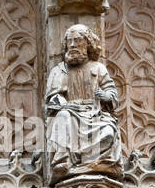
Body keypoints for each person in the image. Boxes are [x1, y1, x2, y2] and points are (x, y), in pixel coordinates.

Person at [44, 24, 122, 179]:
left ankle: (91, 161)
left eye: (78, 41)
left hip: (94, 114)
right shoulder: (59, 70)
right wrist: (63, 103)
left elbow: (112, 92)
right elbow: (52, 99)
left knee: (107, 131)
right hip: (70, 111)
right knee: (62, 117)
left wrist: (106, 96)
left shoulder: (98, 68)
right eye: (69, 41)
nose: (73, 45)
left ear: (87, 44)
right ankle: (63, 160)